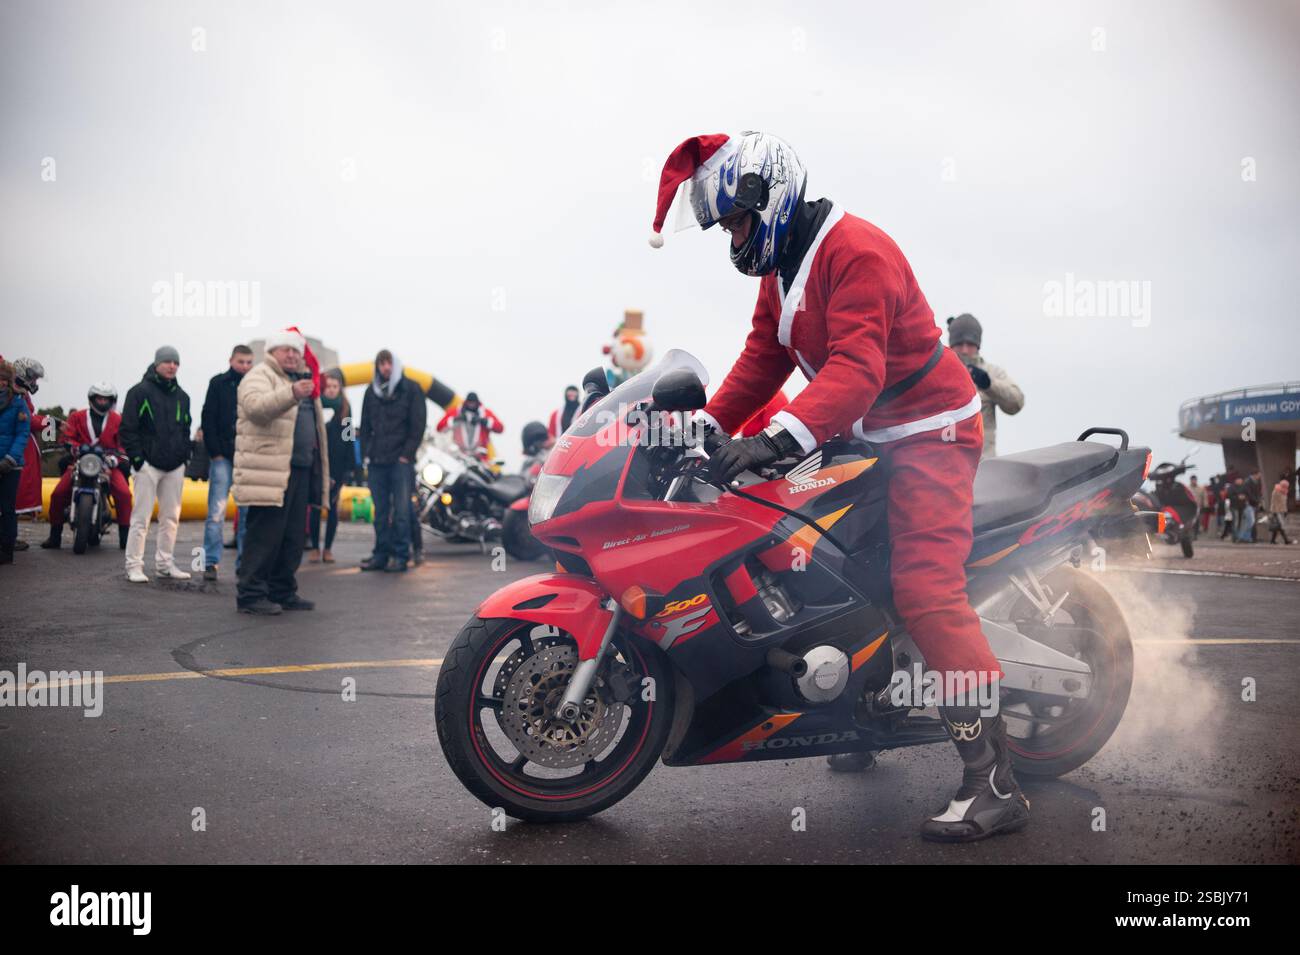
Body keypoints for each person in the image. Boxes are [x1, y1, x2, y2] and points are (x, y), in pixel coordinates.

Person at [648, 131, 1025, 842]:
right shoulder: (782, 266)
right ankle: (865, 706)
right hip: (867, 432)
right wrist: (698, 431)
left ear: (774, 198)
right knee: (820, 555)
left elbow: (856, 371)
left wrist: (770, 439)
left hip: (931, 430)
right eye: (726, 223)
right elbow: (764, 358)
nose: (733, 234)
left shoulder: (857, 251)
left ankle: (994, 780)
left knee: (922, 587)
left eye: (736, 219)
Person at [233, 330, 330, 614]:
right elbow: (254, 408)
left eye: (295, 351)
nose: (291, 355)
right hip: (269, 470)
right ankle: (250, 594)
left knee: (292, 536)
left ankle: (283, 590)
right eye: (285, 349)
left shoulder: (300, 381)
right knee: (265, 535)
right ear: (272, 352)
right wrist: (291, 394)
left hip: (299, 469)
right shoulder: (260, 375)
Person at [119, 346, 193, 582]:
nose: (172, 366)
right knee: (141, 518)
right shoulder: (138, 392)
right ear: (157, 363)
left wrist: (184, 457)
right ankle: (134, 565)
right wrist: (138, 461)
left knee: (171, 517)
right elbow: (127, 429)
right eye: (168, 361)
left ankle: (164, 563)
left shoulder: (183, 396)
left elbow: (185, 430)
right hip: (147, 466)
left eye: (176, 362)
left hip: (175, 466)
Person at [41, 382, 133, 550]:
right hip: (81, 462)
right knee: (58, 493)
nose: (103, 402)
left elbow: (124, 444)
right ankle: (55, 535)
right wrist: (72, 446)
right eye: (99, 398)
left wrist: (115, 458)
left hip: (107, 465)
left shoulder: (118, 419)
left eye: (106, 399)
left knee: (124, 494)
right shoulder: (77, 416)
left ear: (112, 400)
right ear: (92, 398)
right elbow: (67, 437)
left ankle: (125, 537)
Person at [359, 350, 426, 572]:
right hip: (377, 460)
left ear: (395, 365)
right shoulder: (371, 392)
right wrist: (367, 453)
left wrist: (406, 454)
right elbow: (365, 425)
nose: (385, 367)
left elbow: (418, 425)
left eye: (388, 363)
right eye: (381, 363)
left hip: (400, 462)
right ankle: (380, 554)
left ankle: (401, 555)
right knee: (379, 511)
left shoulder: (412, 389)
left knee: (402, 511)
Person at [200, 344, 254, 580]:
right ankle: (210, 562)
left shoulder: (255, 387)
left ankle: (245, 563)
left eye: (248, 362)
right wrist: (215, 453)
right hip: (222, 456)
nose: (244, 366)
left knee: (247, 514)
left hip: (247, 456)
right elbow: (207, 417)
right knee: (216, 512)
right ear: (231, 360)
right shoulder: (217, 383)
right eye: (241, 361)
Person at [945, 314, 1024, 458]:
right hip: (947, 467)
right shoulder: (940, 374)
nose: (964, 350)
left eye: (969, 344)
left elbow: (1016, 403)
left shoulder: (993, 372)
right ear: (951, 345)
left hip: (984, 468)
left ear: (978, 345)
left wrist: (989, 384)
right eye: (959, 344)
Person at [308, 368, 354, 563]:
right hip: (316, 466)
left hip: (337, 466)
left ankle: (328, 548)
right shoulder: (313, 404)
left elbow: (349, 439)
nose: (332, 390)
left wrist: (350, 468)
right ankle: (314, 548)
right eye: (329, 386)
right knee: (315, 508)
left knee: (332, 508)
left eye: (336, 386)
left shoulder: (345, 409)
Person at [8, 358, 48, 541]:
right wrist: (51, 423)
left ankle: (10, 537)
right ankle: (8, 538)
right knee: (12, 494)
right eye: (33, 379)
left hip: (21, 449)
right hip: (15, 450)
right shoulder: (15, 396)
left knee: (14, 494)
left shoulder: (22, 394)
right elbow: (27, 419)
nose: (35, 383)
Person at [0, 361, 31, 565]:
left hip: (10, 466)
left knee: (7, 508)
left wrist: (9, 460)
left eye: (3, 380)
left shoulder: (20, 404)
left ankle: (6, 550)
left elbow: (22, 434)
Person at [436, 391, 502, 462]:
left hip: (480, 458)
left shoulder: (485, 413)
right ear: (466, 402)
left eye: (473, 403)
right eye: (470, 402)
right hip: (457, 455)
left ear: (477, 403)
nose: (471, 405)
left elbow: (500, 428)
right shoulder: (456, 412)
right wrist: (456, 419)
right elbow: (439, 428)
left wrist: (483, 421)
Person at [1270, 479, 1292, 545]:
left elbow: (1283, 503)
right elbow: (1273, 502)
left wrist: (1285, 511)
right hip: (1277, 511)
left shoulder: (1284, 492)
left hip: (1282, 511)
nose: (1287, 487)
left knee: (1278, 526)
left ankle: (1272, 540)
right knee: (1280, 526)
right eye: (1285, 486)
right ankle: (1286, 540)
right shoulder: (1276, 491)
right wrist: (1275, 511)